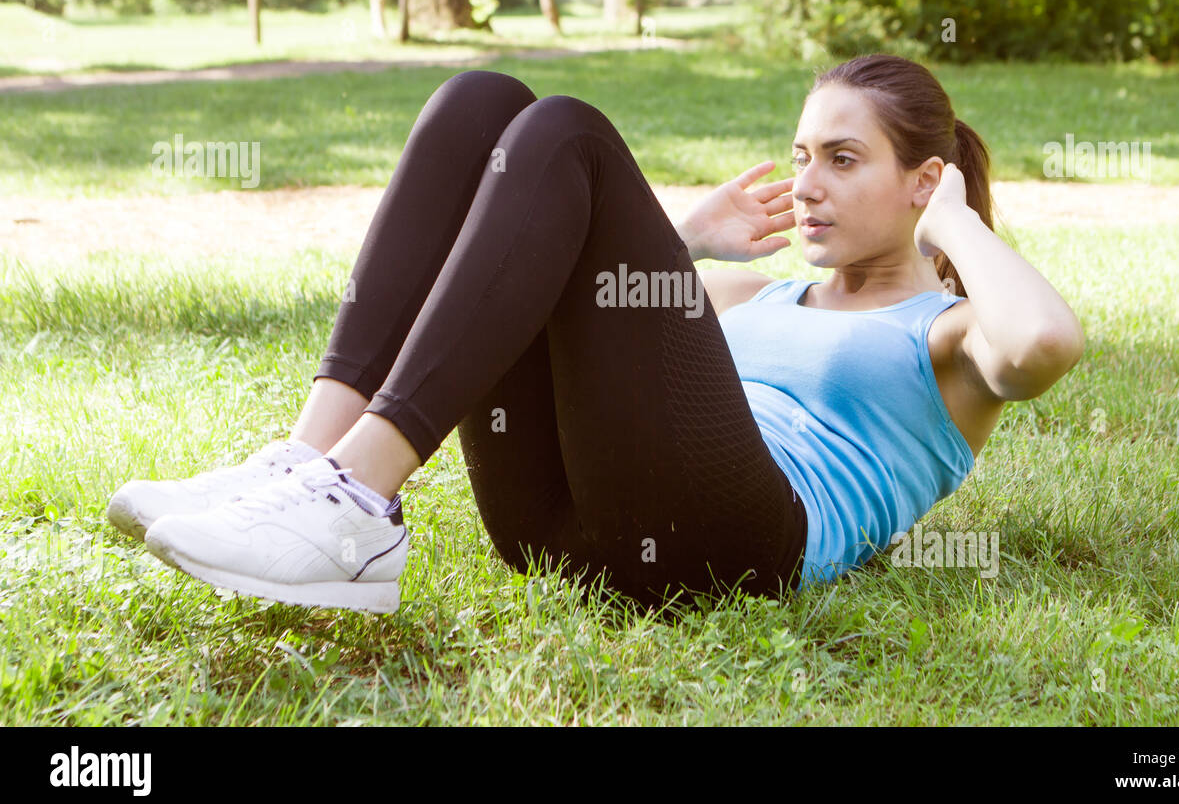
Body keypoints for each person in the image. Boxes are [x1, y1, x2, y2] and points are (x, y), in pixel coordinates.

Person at [106, 54, 1084, 615]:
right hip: (559, 527)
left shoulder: (952, 337)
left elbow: (1044, 342)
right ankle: (307, 463)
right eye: (800, 156)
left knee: (568, 129)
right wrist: (685, 238)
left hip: (738, 542)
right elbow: (560, 301)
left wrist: (949, 216)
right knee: (483, 103)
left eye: (843, 157)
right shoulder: (756, 293)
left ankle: (356, 498)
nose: (809, 183)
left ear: (919, 177)